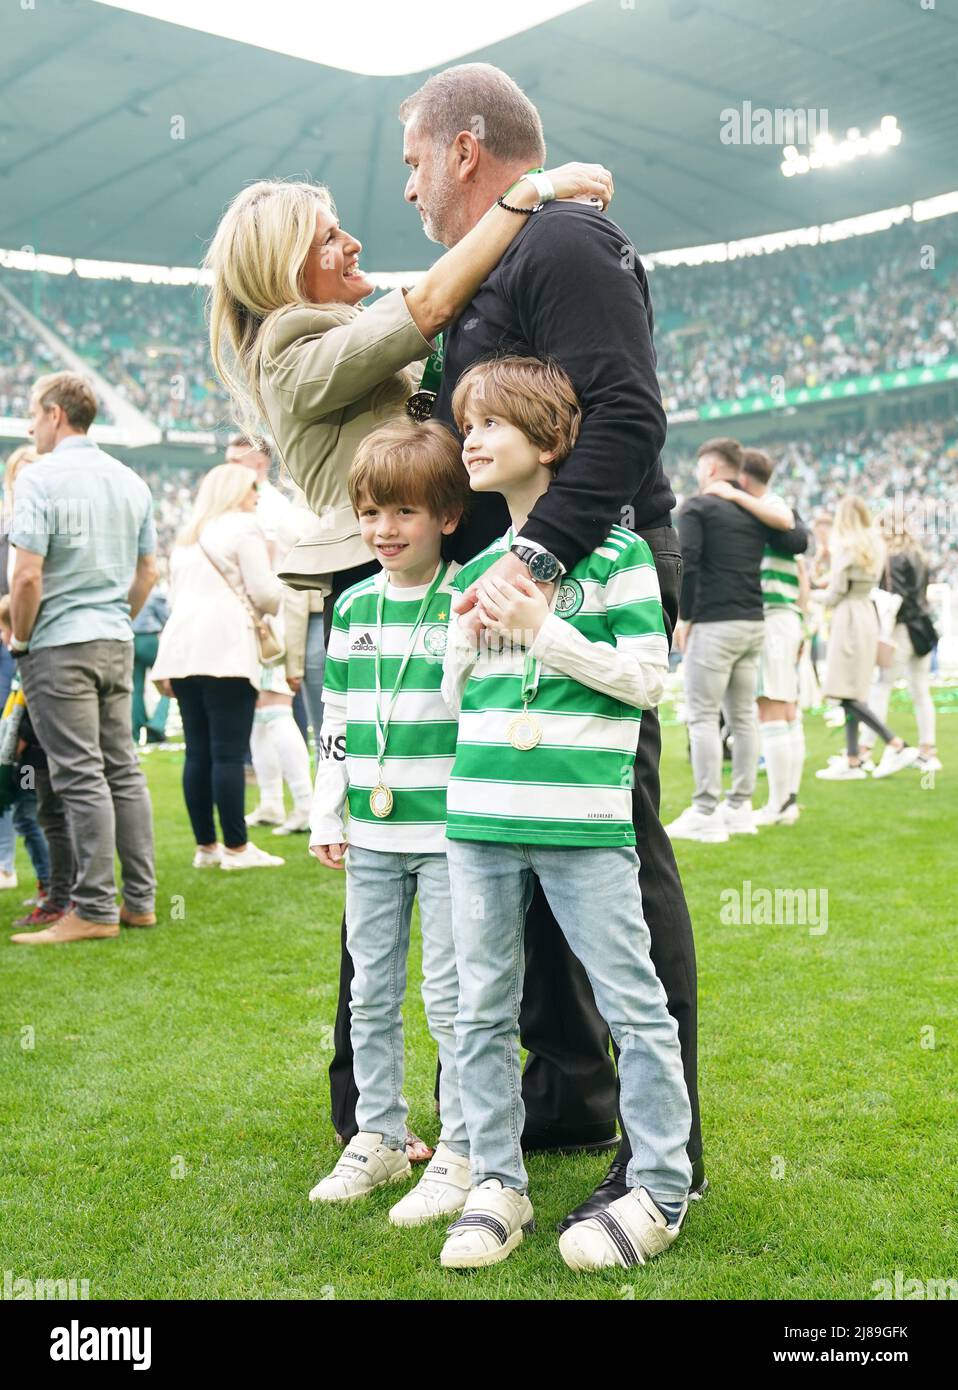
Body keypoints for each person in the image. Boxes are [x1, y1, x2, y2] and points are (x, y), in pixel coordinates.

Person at [204, 147, 611, 1161]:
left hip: (426, 589)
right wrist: (528, 194)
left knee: (458, 848)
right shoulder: (289, 343)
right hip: (375, 602)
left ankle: (478, 1099)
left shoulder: (327, 335)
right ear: (283, 266)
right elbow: (428, 305)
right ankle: (369, 1113)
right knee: (384, 858)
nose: (352, 242)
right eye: (327, 236)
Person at [400, 61, 704, 1227]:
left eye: (416, 160)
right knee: (528, 836)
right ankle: (571, 1095)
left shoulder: (565, 242)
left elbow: (625, 413)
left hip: (588, 563)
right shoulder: (514, 247)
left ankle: (668, 1152)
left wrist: (533, 561)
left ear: (464, 148)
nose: (410, 186)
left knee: (613, 848)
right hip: (525, 574)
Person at [438, 356, 690, 1273]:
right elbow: (456, 696)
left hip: (584, 823)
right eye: (465, 425)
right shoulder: (476, 567)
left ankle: (660, 1186)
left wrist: (545, 632)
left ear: (548, 442)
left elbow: (648, 682)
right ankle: (495, 1183)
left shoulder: (622, 559)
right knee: (479, 1009)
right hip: (480, 819)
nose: (469, 441)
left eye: (489, 425)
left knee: (633, 1002)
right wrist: (463, 640)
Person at [308, 418, 475, 1225]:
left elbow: (476, 709)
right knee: (369, 992)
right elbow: (336, 714)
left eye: (404, 511)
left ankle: (465, 1146)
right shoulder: (352, 606)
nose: (384, 529)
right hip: (370, 836)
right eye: (371, 512)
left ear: (447, 516)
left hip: (448, 838)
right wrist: (326, 809)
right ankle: (377, 1134)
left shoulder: (471, 595)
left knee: (452, 996)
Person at [8, 372, 157, 946]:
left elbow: (26, 577)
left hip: (59, 644)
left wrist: (22, 640)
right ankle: (139, 903)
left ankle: (93, 908)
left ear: (54, 414)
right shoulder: (130, 480)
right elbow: (148, 571)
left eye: (32, 414)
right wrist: (118, 615)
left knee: (79, 773)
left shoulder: (39, 477)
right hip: (114, 639)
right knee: (122, 769)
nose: (30, 427)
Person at [668, 436, 808, 840]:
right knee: (744, 717)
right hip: (753, 622)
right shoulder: (754, 511)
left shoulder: (697, 507)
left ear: (711, 468)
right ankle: (740, 807)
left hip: (714, 622)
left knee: (703, 716)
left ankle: (705, 811)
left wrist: (685, 617)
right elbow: (794, 537)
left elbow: (689, 564)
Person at [151, 464, 286, 868]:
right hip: (225, 648)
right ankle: (237, 848)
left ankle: (206, 847)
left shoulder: (187, 537)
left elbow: (175, 598)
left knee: (198, 751)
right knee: (228, 753)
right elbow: (266, 594)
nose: (256, 496)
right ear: (236, 492)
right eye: (252, 489)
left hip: (182, 651)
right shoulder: (244, 527)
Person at [225, 436, 313, 832]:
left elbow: (277, 578)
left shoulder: (272, 509)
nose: (227, 469)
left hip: (272, 623)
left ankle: (305, 805)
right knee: (261, 715)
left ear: (258, 464)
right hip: (256, 623)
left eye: (235, 461)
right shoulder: (247, 506)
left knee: (276, 712)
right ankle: (272, 802)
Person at [812, 498, 920, 781]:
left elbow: (835, 593)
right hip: (867, 614)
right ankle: (852, 759)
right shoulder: (875, 545)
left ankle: (894, 743)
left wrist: (811, 595)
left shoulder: (846, 547)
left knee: (844, 690)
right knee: (853, 690)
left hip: (848, 617)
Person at [738, 447, 807, 826]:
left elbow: (786, 524)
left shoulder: (770, 509)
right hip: (787, 617)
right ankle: (787, 800)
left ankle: (779, 805)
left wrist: (732, 497)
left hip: (774, 619)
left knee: (771, 708)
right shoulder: (774, 510)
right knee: (788, 710)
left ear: (743, 478)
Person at [859, 527, 940, 774]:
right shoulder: (919, 556)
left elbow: (895, 599)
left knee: (882, 686)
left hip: (902, 628)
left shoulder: (893, 558)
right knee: (920, 691)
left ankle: (865, 749)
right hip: (923, 628)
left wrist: (885, 632)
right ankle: (928, 750)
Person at [132, 581, 170, 744]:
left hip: (131, 640)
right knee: (168, 681)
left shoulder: (128, 588)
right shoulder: (154, 593)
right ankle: (157, 723)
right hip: (149, 640)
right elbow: (167, 618)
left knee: (136, 688)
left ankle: (135, 730)